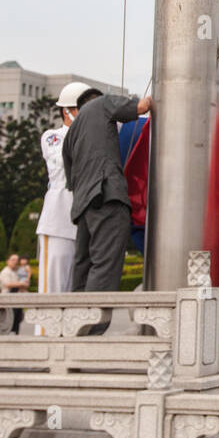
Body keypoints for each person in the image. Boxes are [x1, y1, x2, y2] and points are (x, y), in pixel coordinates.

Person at [62, 87, 151, 300]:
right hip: (106, 196)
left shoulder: (70, 136)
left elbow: (70, 180)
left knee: (83, 265)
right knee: (106, 263)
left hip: (83, 207)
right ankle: (91, 326)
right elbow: (141, 107)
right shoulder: (101, 104)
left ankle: (77, 322)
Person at [35, 81, 86, 299]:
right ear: (67, 111)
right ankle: (45, 334)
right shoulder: (52, 137)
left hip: (83, 220)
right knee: (52, 290)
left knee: (76, 291)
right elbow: (64, 161)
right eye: (84, 107)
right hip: (58, 221)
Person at [0, 254, 28, 333]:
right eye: (13, 260)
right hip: (8, 301)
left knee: (17, 321)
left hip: (16, 301)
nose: (15, 262)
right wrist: (21, 284)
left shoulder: (16, 272)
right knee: (9, 323)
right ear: (8, 261)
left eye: (17, 260)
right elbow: (8, 284)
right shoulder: (5, 272)